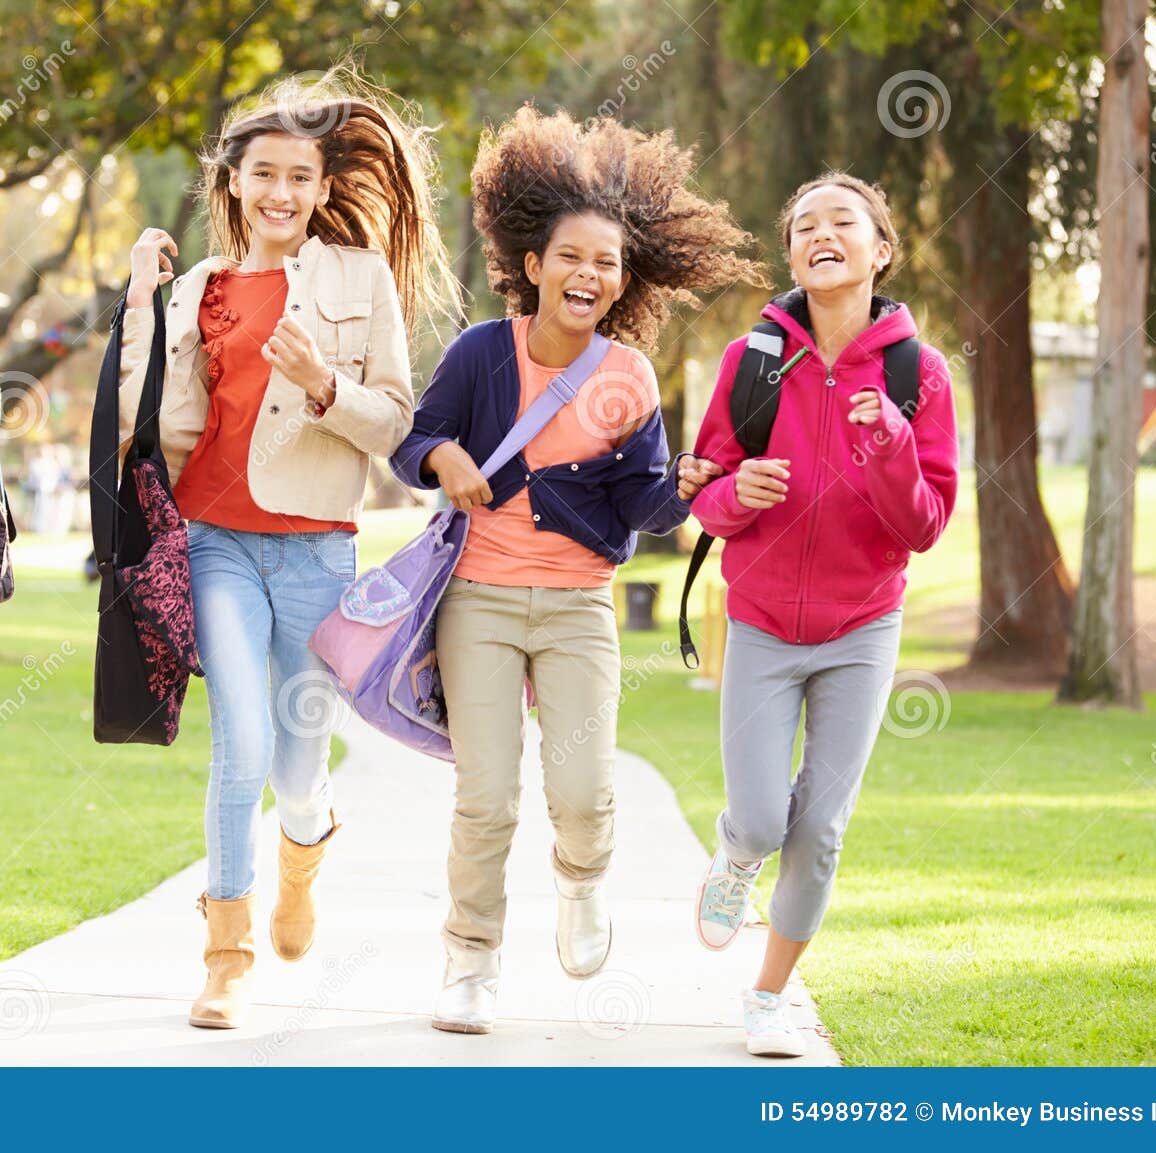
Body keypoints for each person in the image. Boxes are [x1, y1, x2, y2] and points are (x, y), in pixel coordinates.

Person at [390, 106, 763, 1034]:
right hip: (476, 599)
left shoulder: (630, 377)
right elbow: (415, 439)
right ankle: (470, 960)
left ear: (622, 280)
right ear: (532, 266)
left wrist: (680, 487)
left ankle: (581, 882)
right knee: (485, 793)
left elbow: (644, 508)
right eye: (571, 257)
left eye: (606, 262)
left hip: (577, 607)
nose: (588, 274)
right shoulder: (483, 352)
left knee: (584, 789)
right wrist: (443, 463)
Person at [116, 71, 460, 1029]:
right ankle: (226, 955)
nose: (280, 193)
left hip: (315, 550)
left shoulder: (360, 280)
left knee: (299, 767)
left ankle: (304, 852)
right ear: (232, 181)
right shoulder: (198, 290)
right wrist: (139, 305)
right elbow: (139, 418)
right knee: (242, 746)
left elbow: (394, 422)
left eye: (298, 178)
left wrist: (320, 384)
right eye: (261, 173)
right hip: (214, 541)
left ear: (318, 187)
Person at [689, 172, 959, 1057]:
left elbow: (924, 524)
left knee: (823, 829)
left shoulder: (920, 375)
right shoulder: (751, 361)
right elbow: (707, 498)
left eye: (842, 220)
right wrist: (739, 490)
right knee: (766, 819)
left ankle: (768, 995)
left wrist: (886, 442)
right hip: (762, 618)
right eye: (803, 224)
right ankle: (735, 855)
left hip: (863, 626)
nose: (820, 233)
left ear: (880, 249)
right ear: (794, 254)